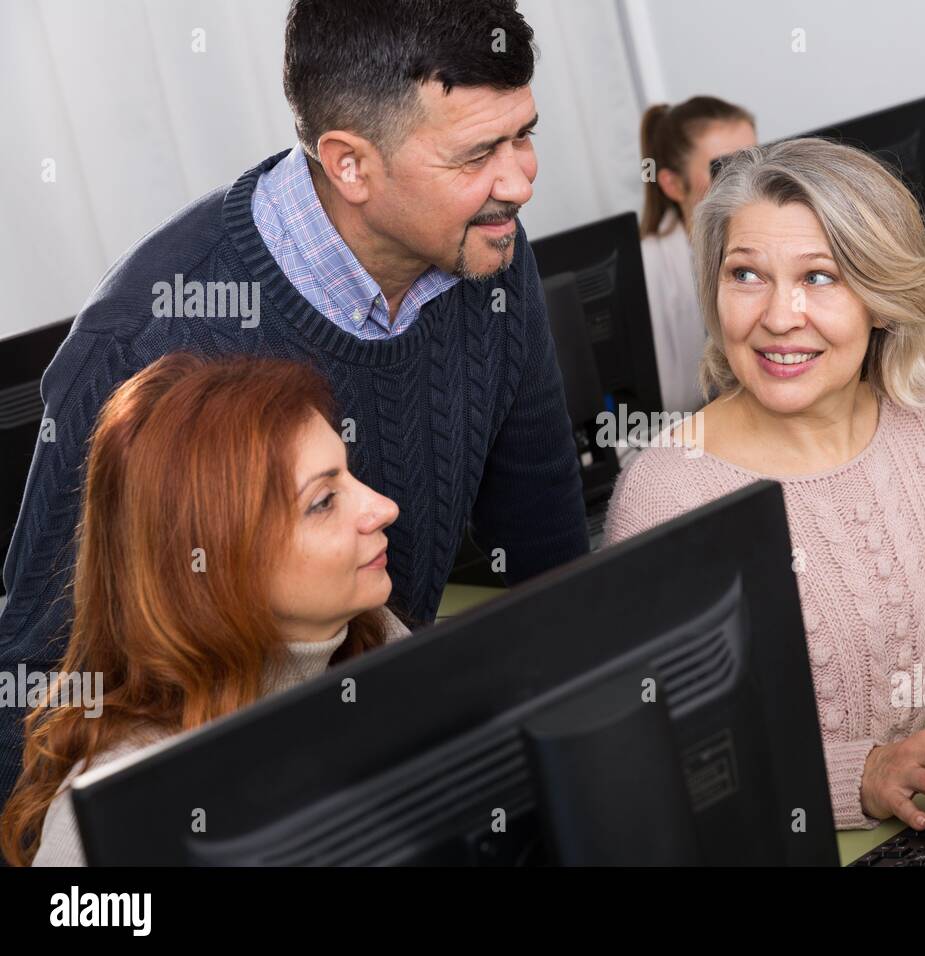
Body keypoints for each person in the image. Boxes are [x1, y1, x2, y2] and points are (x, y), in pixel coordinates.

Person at [0, 0, 588, 810]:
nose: (519, 181)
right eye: (479, 153)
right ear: (349, 164)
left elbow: (545, 546)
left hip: (376, 760)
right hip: (219, 800)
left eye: (524, 134)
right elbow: (34, 691)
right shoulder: (145, 343)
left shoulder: (483, 249)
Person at [604, 138, 925, 831]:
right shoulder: (668, 496)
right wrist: (859, 772)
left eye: (819, 278)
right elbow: (669, 758)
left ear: (883, 297)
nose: (777, 316)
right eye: (746, 275)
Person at [0, 353, 411, 866]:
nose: (383, 507)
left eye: (348, 476)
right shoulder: (113, 814)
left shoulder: (374, 637)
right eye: (323, 501)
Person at [639, 97, 757, 416]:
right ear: (674, 185)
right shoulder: (647, 271)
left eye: (753, 161)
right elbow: (665, 404)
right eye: (723, 170)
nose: (745, 181)